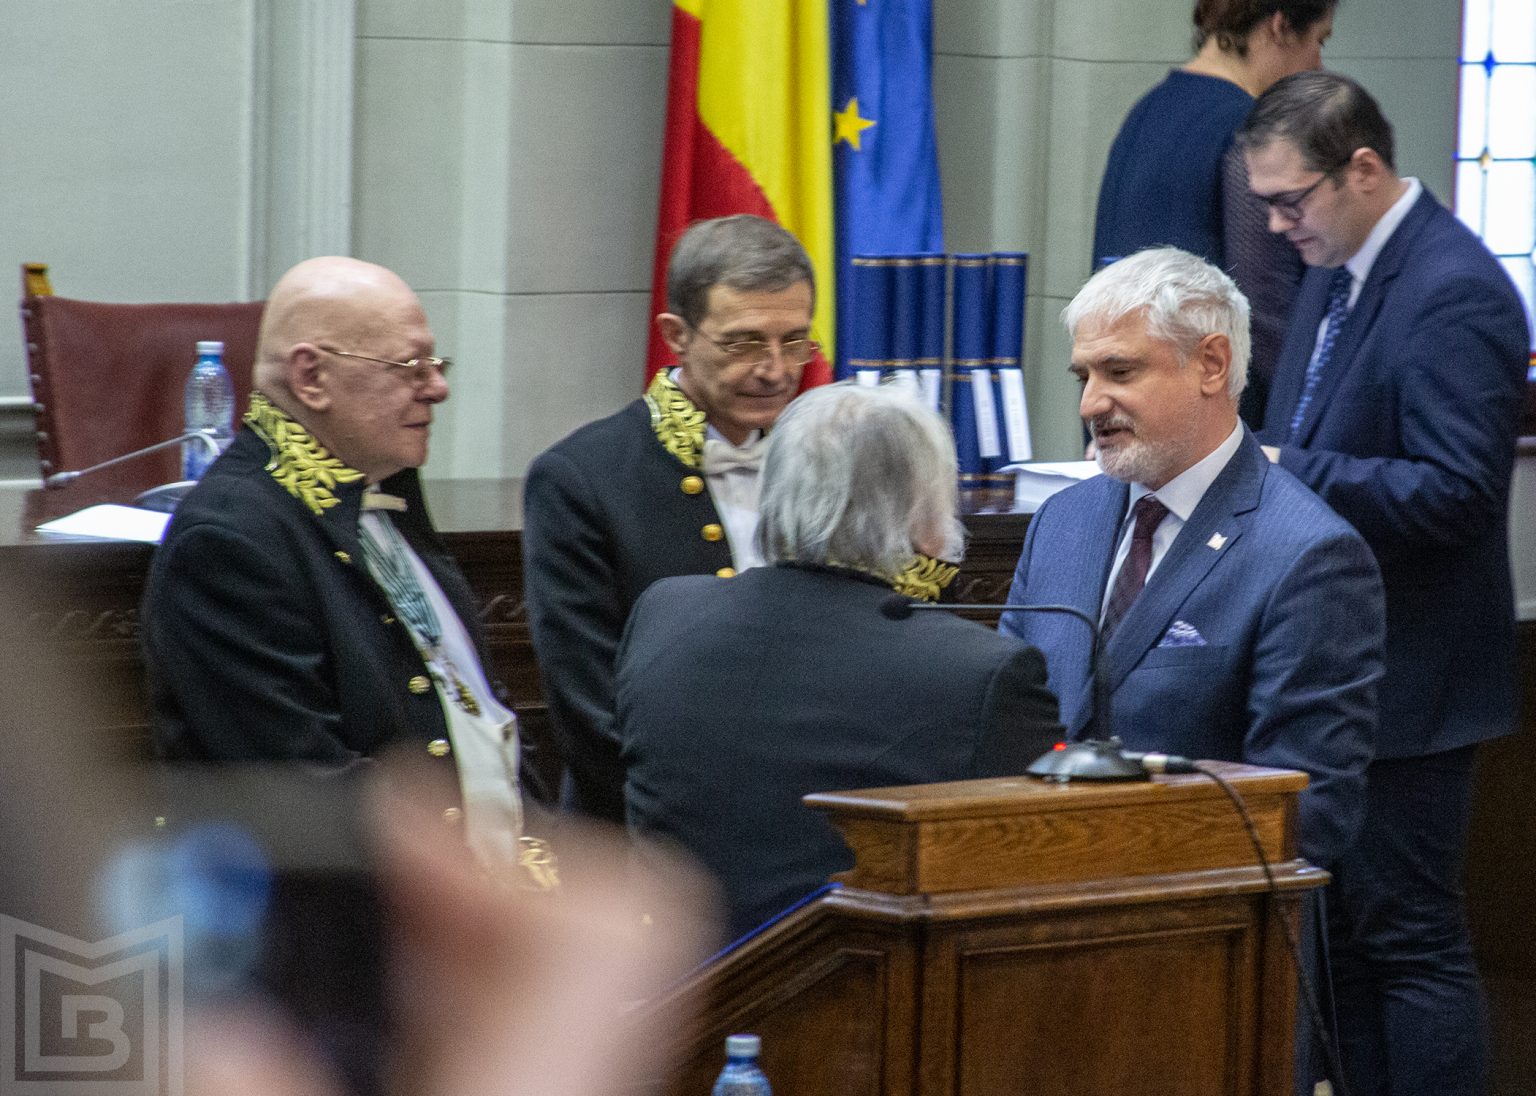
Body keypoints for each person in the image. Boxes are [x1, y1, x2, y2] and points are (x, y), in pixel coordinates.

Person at [1239, 71, 1530, 1096]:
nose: (1276, 225)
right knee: (1341, 945)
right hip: (1335, 671)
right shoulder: (1339, 265)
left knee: (1410, 942)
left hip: (1416, 681)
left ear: (1362, 168)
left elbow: (1456, 493)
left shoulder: (1456, 288)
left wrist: (1285, 470)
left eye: (1290, 200)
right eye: (1265, 202)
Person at [618, 382, 1064, 940]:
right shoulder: (981, 673)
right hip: (862, 998)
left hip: (667, 995)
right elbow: (1039, 870)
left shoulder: (665, 613)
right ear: (922, 509)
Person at [1000, 247, 1382, 871]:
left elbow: (1307, 813)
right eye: (1084, 377)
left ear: (1211, 364)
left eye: (1119, 373)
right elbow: (1008, 725)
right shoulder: (1061, 524)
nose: (1090, 404)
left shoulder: (1308, 555)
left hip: (1201, 928)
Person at [143, 255, 528, 874]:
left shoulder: (385, 491)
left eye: (435, 364)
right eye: (409, 367)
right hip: (345, 943)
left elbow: (479, 713)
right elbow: (312, 795)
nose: (437, 386)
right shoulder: (228, 544)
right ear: (311, 377)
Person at [524, 214, 820, 824]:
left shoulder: (828, 460)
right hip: (647, 838)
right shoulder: (582, 477)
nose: (775, 369)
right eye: (743, 342)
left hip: (811, 827)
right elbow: (590, 710)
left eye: (795, 340)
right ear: (676, 334)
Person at [1093, 0, 1336, 425]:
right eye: (1319, 41)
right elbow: (1266, 314)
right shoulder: (1249, 127)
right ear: (1279, 26)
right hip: (1209, 431)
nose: (1317, 65)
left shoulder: (1147, 110)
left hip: (1126, 407)